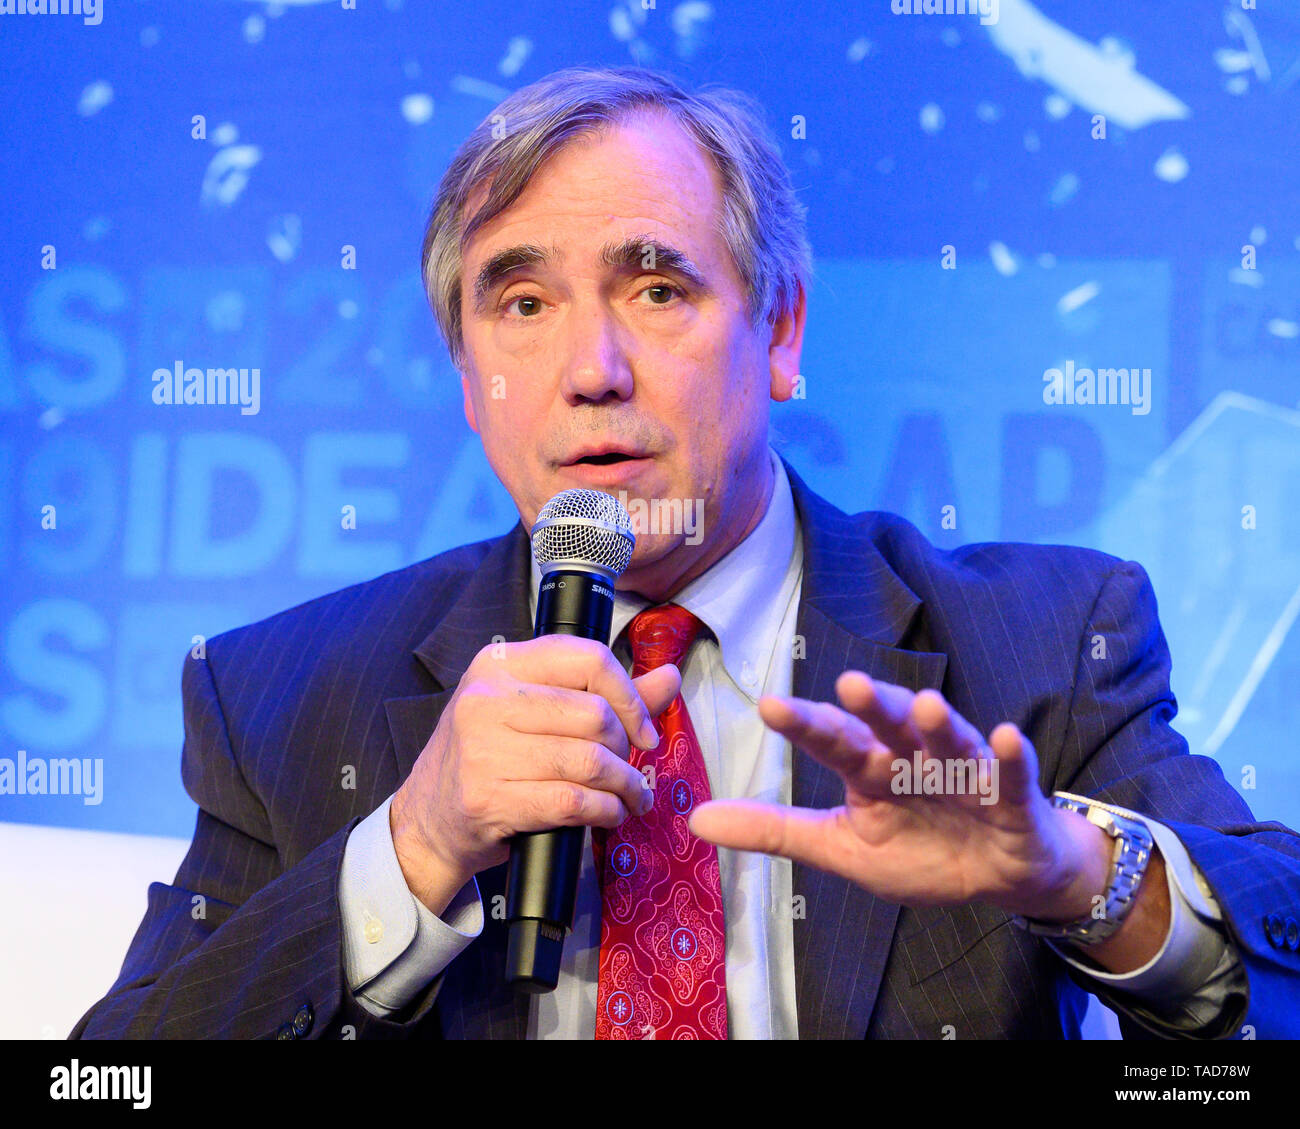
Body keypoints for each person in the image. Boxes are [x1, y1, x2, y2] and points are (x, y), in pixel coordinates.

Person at [73, 65, 1300, 1040]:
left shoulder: (1041, 640)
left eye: (656, 287)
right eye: (522, 302)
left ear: (779, 328)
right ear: (469, 377)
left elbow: (1279, 950)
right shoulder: (284, 696)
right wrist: (410, 851)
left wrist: (1078, 875)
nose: (592, 371)